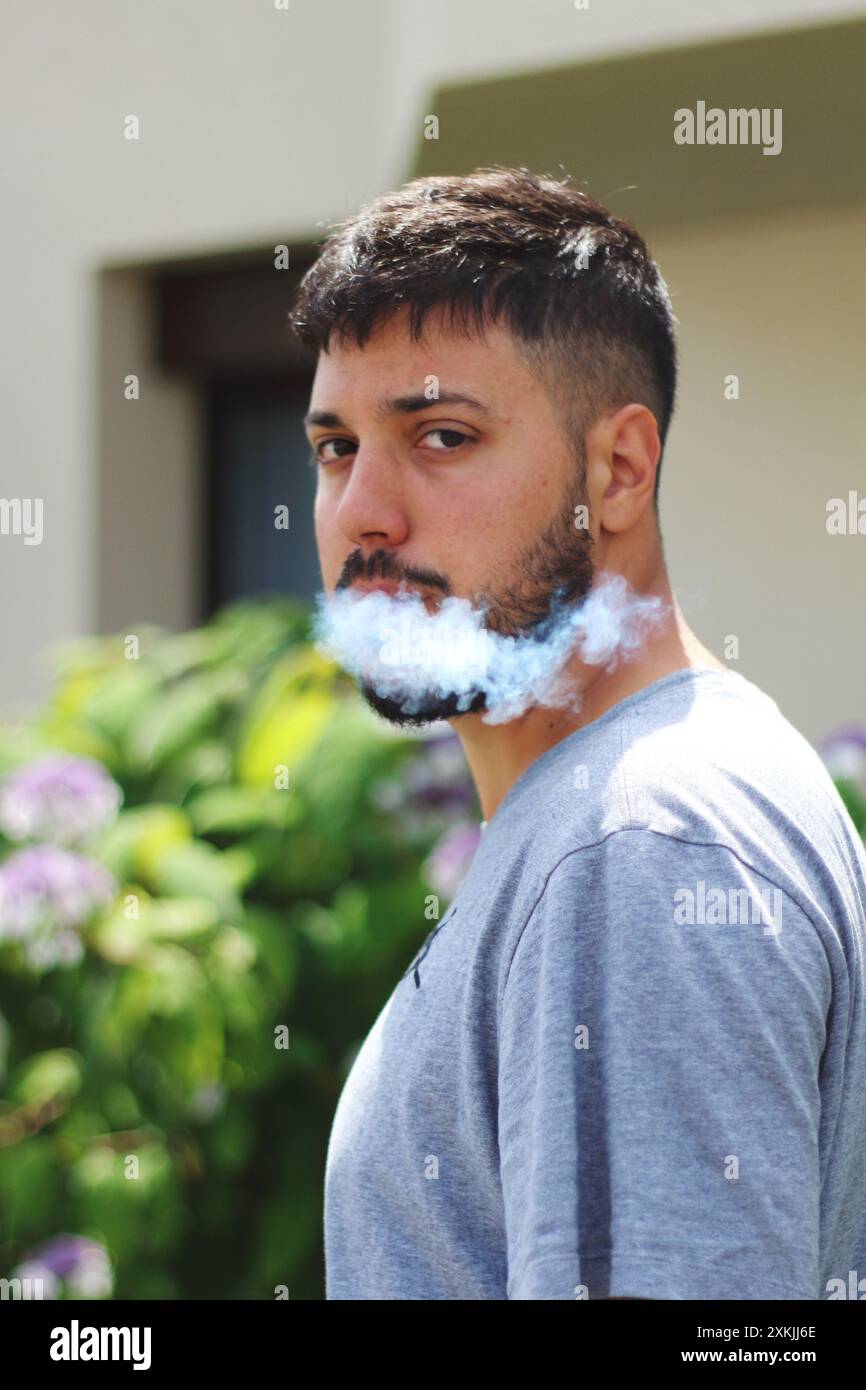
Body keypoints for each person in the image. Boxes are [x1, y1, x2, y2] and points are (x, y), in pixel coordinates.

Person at [289, 166, 866, 1300]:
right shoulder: (620, 808)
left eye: (441, 435)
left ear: (616, 469)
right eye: (334, 448)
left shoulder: (640, 839)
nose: (361, 508)